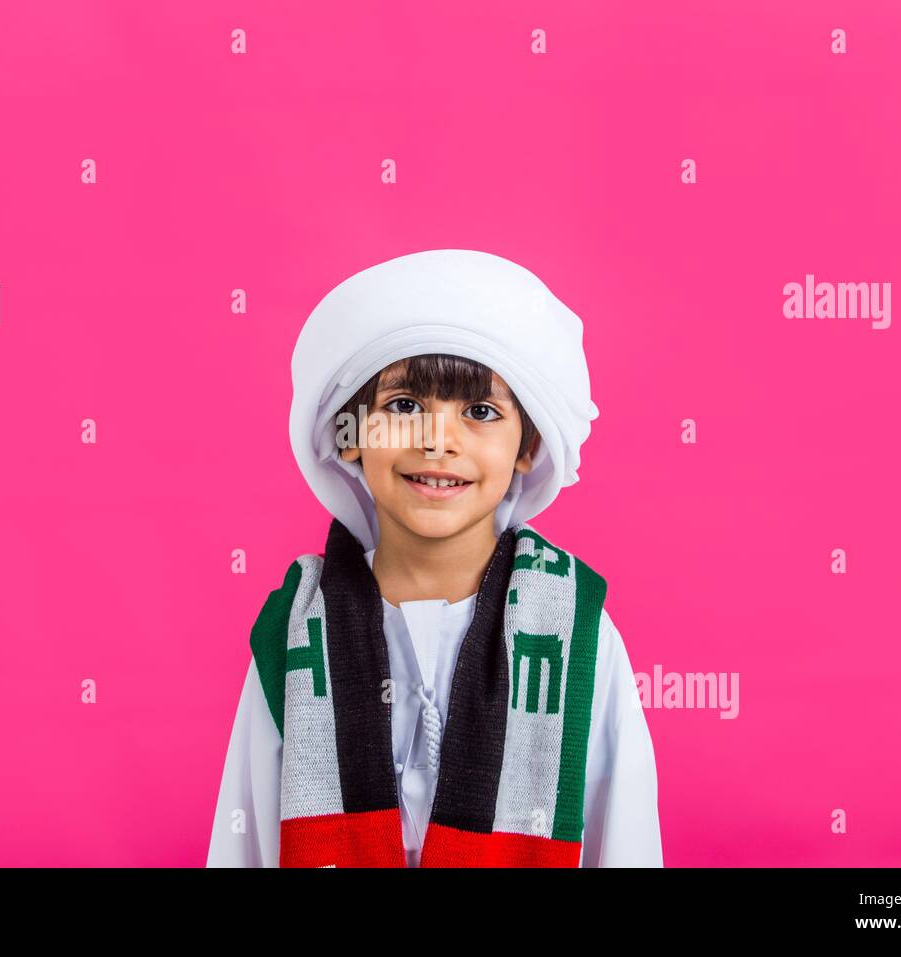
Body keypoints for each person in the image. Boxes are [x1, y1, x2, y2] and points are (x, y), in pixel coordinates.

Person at [206, 249, 662, 867]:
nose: (437, 440)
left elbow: (624, 837)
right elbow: (246, 840)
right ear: (351, 437)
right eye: (402, 406)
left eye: (479, 413)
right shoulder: (296, 634)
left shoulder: (573, 633)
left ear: (526, 446)